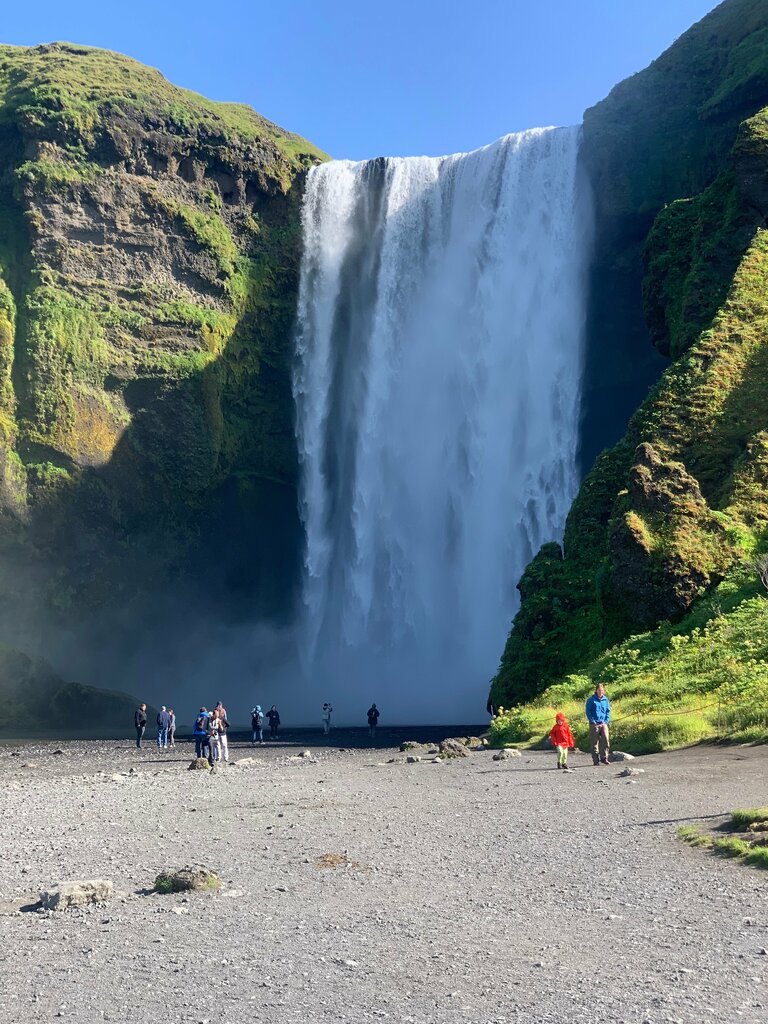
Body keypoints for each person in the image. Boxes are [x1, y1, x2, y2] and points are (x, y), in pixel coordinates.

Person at [586, 683, 611, 765]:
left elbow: (608, 711)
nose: (601, 692)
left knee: (606, 740)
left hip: (603, 723)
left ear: (604, 691)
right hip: (594, 724)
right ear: (596, 690)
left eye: (602, 690)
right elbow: (588, 711)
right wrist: (593, 721)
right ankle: (596, 760)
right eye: (599, 690)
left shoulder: (605, 699)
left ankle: (604, 758)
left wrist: (606, 721)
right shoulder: (591, 700)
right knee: (594, 743)